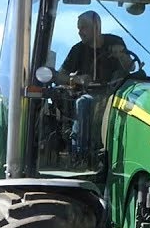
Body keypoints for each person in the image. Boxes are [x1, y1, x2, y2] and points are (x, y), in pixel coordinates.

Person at [57, 11, 135, 164]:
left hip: (117, 93)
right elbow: (59, 76)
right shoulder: (77, 50)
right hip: (91, 95)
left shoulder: (115, 41)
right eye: (78, 28)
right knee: (83, 102)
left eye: (83, 27)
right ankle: (80, 155)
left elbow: (130, 67)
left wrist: (121, 55)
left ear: (97, 27)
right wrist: (78, 79)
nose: (80, 32)